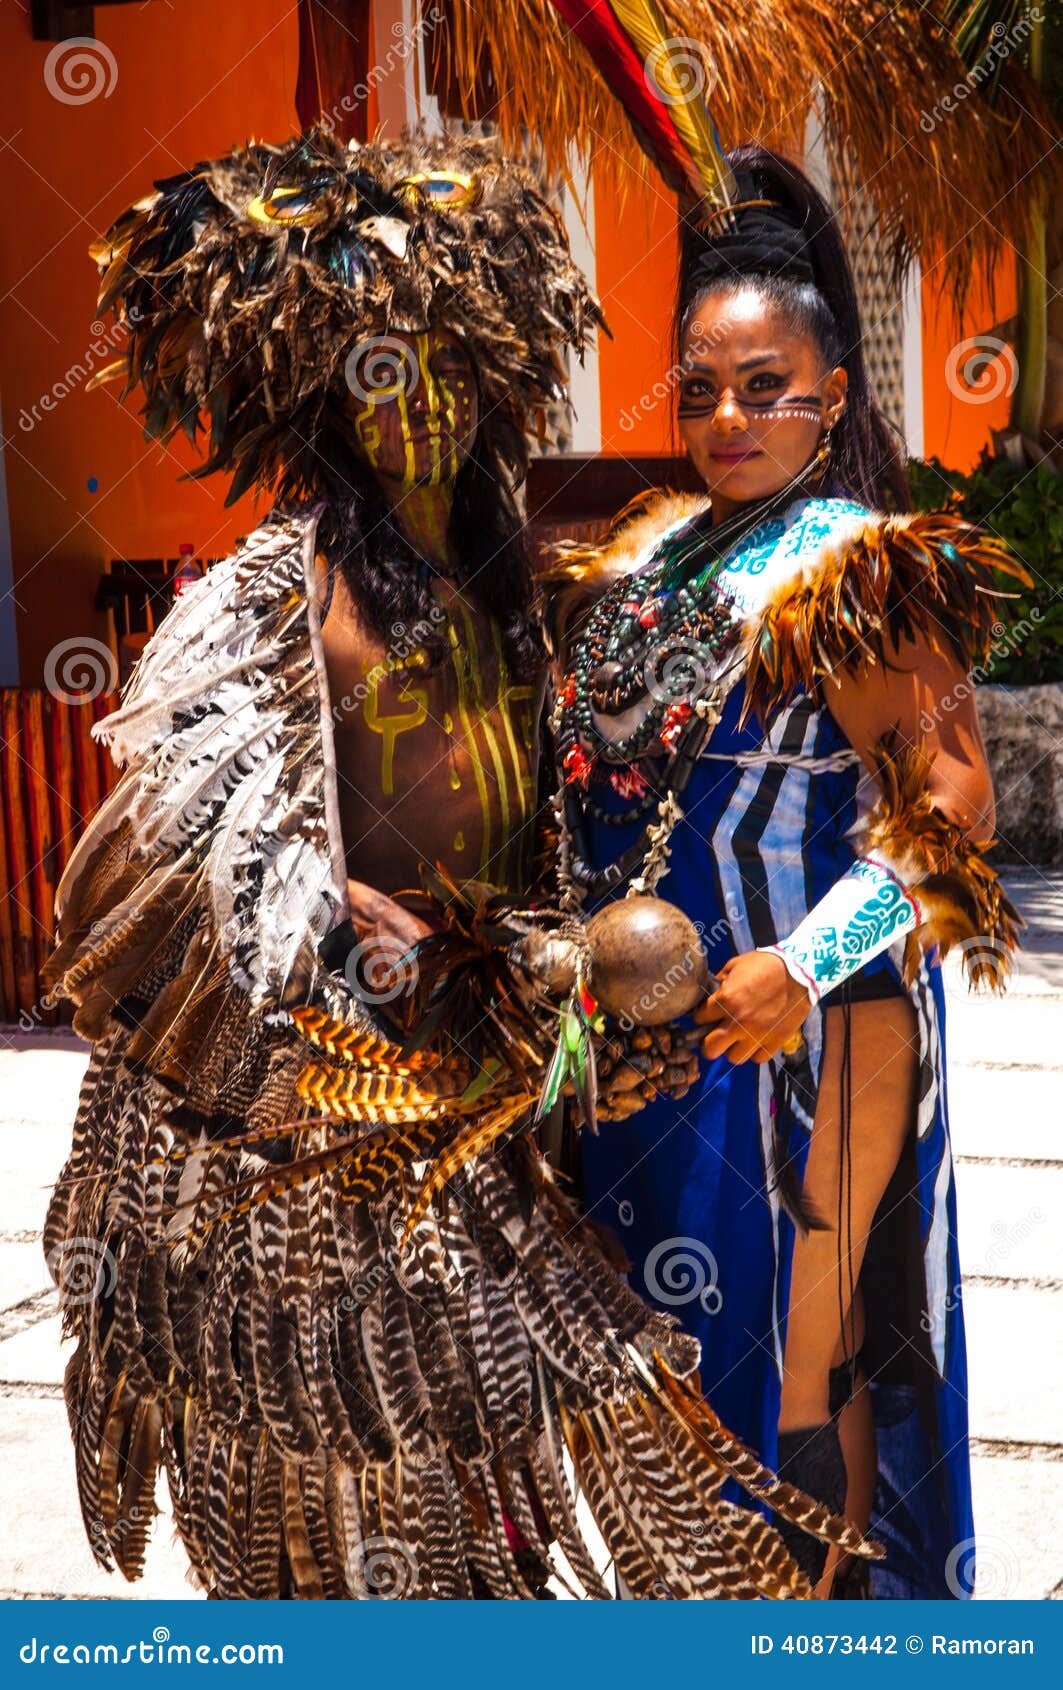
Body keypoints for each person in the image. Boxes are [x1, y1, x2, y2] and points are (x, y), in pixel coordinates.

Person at [41, 129, 860, 1600]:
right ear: (314, 389)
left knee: (493, 1474)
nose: (414, 398)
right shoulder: (270, 592)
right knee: (356, 1492)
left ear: (495, 368)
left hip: (498, 1104)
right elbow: (167, 853)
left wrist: (571, 981)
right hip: (337, 1126)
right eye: (375, 365)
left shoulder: (524, 591)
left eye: (444, 359)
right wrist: (360, 956)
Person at [546, 142, 1024, 1600]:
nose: (728, 415)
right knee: (666, 1386)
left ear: (829, 393)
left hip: (812, 1041)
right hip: (643, 1049)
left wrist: (801, 965)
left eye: (764, 386)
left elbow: (955, 809)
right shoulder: (651, 557)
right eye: (699, 387)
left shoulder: (861, 566)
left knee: (802, 1372)